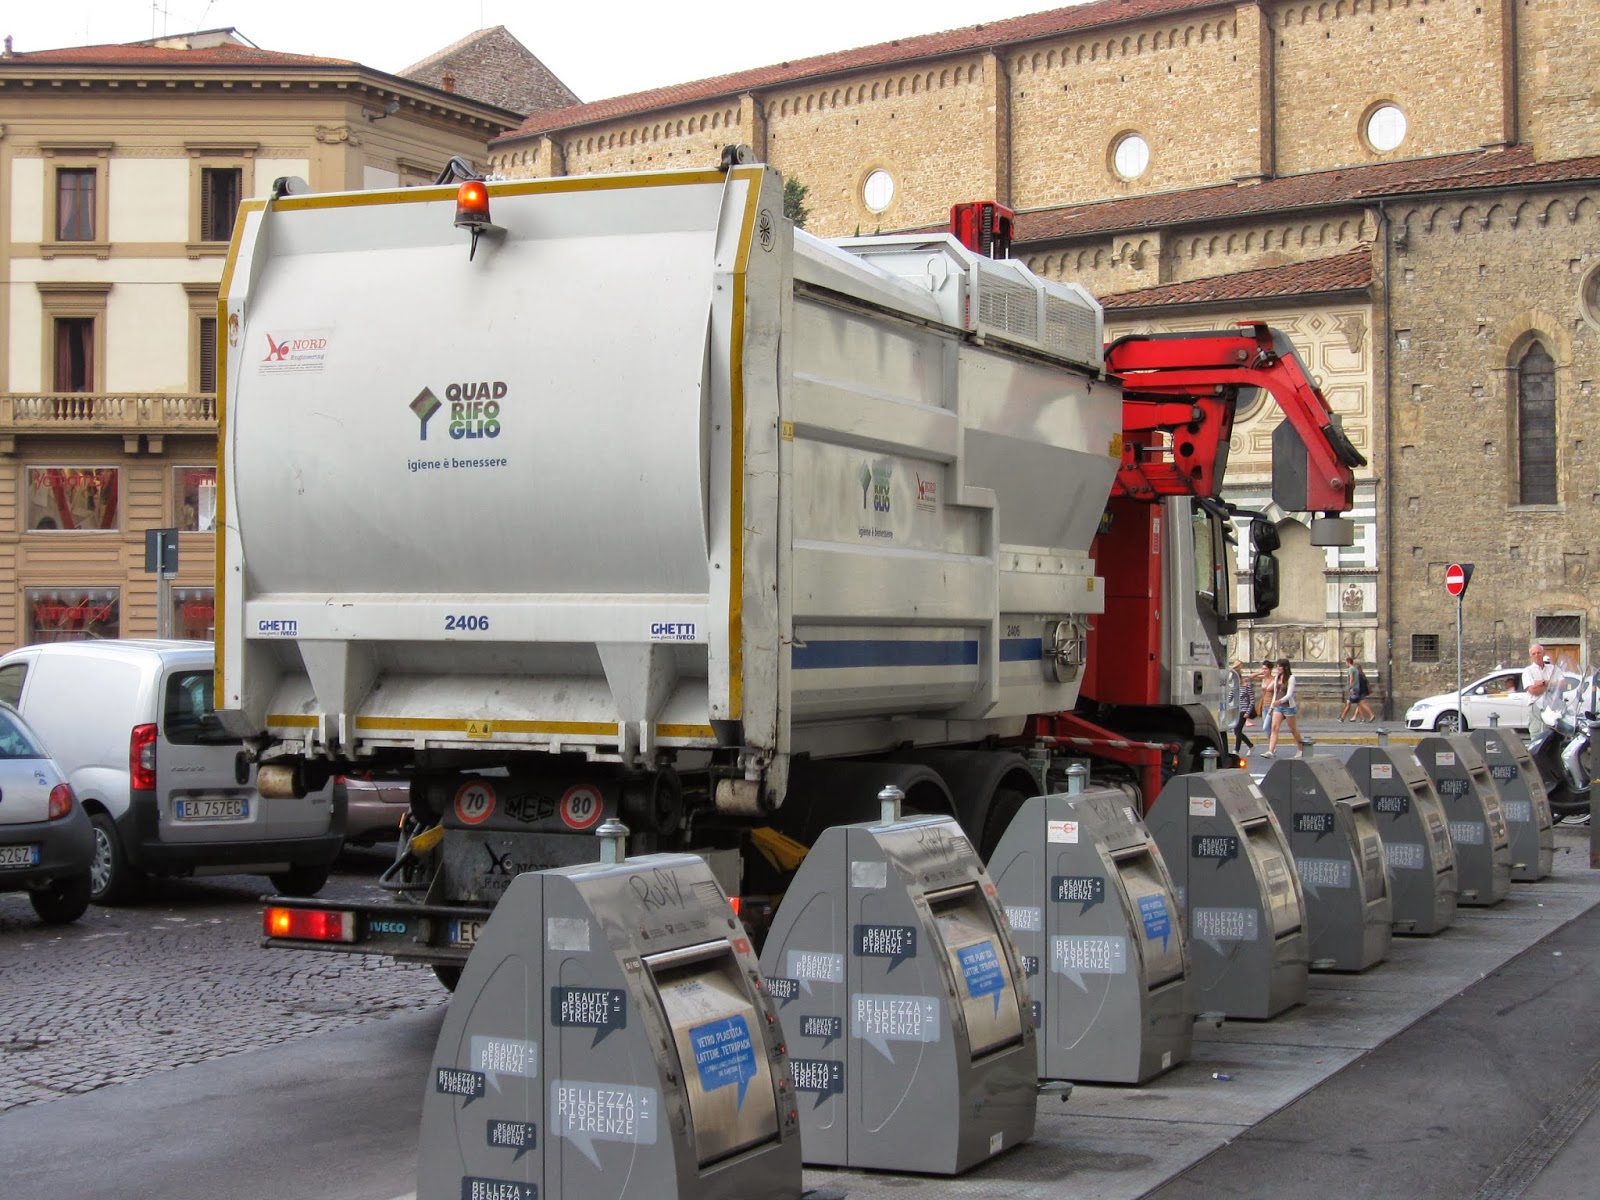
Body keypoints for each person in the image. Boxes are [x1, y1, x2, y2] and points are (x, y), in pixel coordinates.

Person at [1262, 657, 1305, 757]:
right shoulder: (1277, 677)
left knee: (1293, 729)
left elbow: (1289, 694)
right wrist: (1272, 707)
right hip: (1278, 707)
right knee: (1274, 728)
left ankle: (1301, 748)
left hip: (1288, 707)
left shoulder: (1291, 678)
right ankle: (1271, 751)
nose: (1278, 668)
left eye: (1280, 666)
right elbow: (1275, 693)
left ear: (1285, 667)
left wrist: (1280, 701)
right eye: (1277, 666)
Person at [1522, 643, 1563, 728]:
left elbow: (1563, 685)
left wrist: (1543, 683)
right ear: (1531, 656)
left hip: (1553, 707)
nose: (1536, 655)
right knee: (1537, 733)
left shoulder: (1553, 669)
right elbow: (1533, 691)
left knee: (1553, 732)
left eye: (1539, 652)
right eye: (1534, 654)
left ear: (1543, 653)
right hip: (1536, 707)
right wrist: (1553, 685)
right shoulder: (1528, 671)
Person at [1227, 659, 1255, 756]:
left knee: (1237, 730)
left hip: (1244, 710)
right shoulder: (1235, 686)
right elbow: (1230, 697)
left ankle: (1240, 749)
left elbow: (1252, 700)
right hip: (1236, 710)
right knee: (1237, 730)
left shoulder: (1247, 686)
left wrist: (1248, 712)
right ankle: (1246, 746)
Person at [1340, 655, 1376, 722]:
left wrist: (1351, 687)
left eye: (1346, 662)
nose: (1345, 664)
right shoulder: (1357, 671)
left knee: (1355, 703)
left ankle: (1343, 718)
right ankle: (1363, 717)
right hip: (1358, 689)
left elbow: (1351, 679)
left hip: (1355, 689)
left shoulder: (1351, 669)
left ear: (1348, 662)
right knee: (1359, 703)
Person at [1256, 658, 1277, 734]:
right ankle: (1272, 740)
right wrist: (1260, 672)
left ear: (1270, 669)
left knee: (1266, 726)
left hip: (1272, 706)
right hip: (1264, 705)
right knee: (1267, 727)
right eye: (1263, 669)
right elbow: (1250, 676)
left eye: (1266, 669)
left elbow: (1276, 693)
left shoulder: (1275, 679)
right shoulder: (1263, 678)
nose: (1264, 670)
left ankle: (1272, 740)